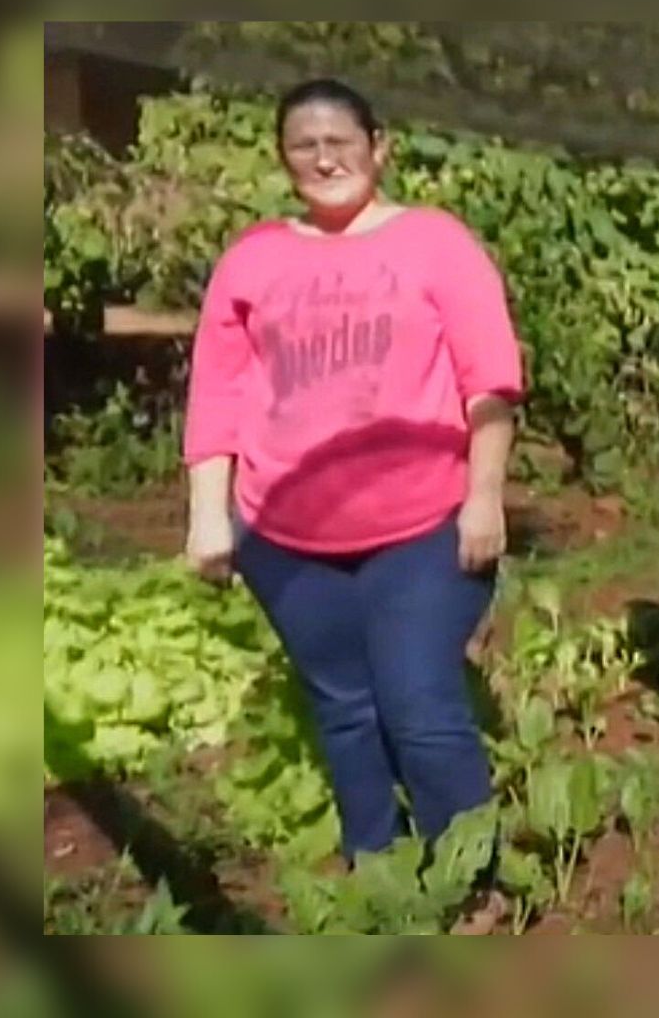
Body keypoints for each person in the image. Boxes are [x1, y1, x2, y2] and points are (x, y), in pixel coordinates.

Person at [181, 79, 521, 924]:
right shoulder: (252, 260)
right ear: (283, 159)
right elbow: (217, 395)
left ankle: (471, 883)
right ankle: (380, 875)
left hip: (425, 523)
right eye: (303, 144)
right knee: (343, 707)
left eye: (340, 139)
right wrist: (207, 513)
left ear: (380, 145)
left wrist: (485, 498)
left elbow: (492, 382)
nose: (324, 157)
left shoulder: (436, 243)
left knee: (419, 698)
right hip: (285, 537)